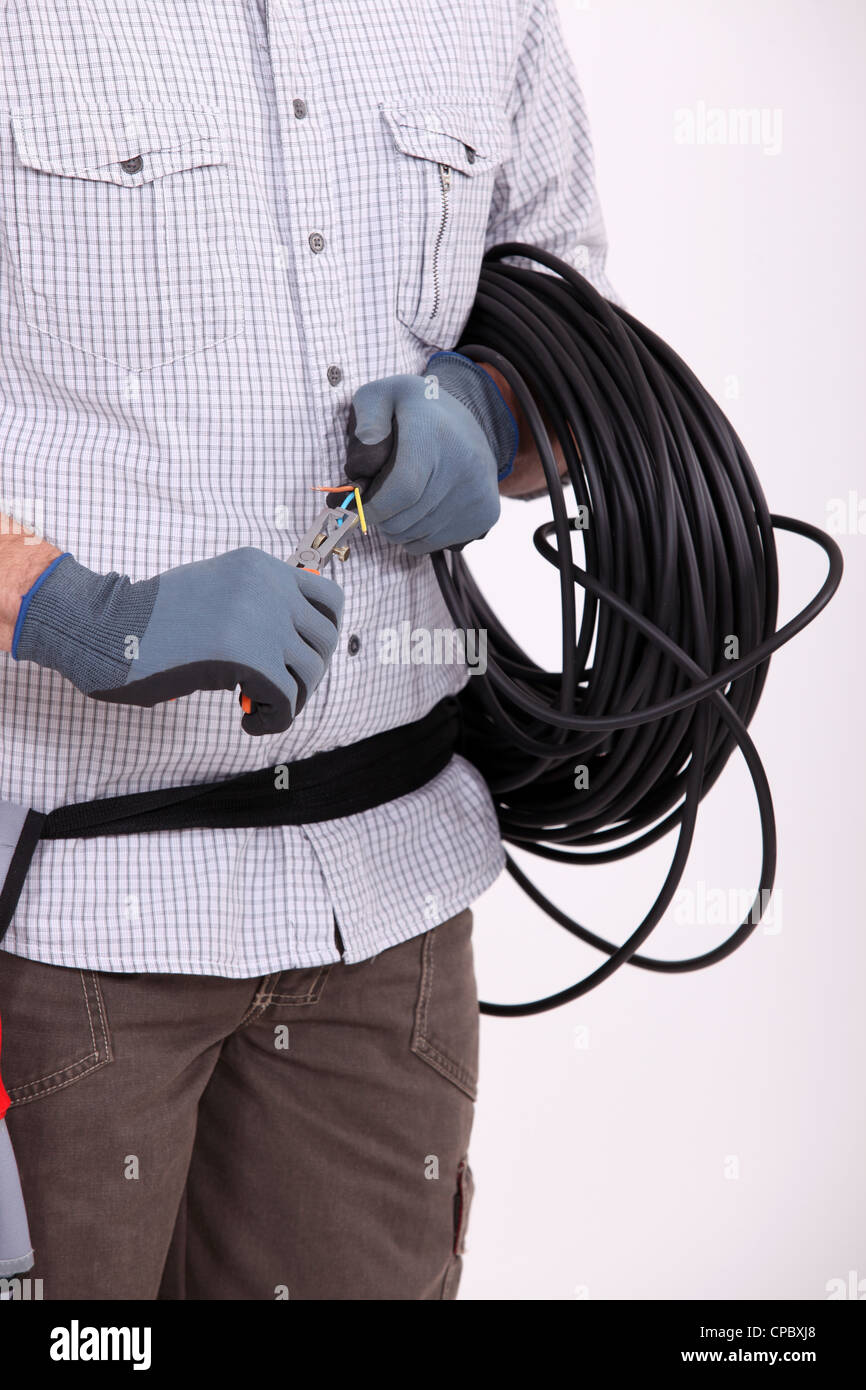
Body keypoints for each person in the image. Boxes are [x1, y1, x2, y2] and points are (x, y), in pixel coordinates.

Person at [0, 0, 614, 1299]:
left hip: (385, 921)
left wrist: (484, 405)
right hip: (55, 932)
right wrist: (77, 609)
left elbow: (573, 332)